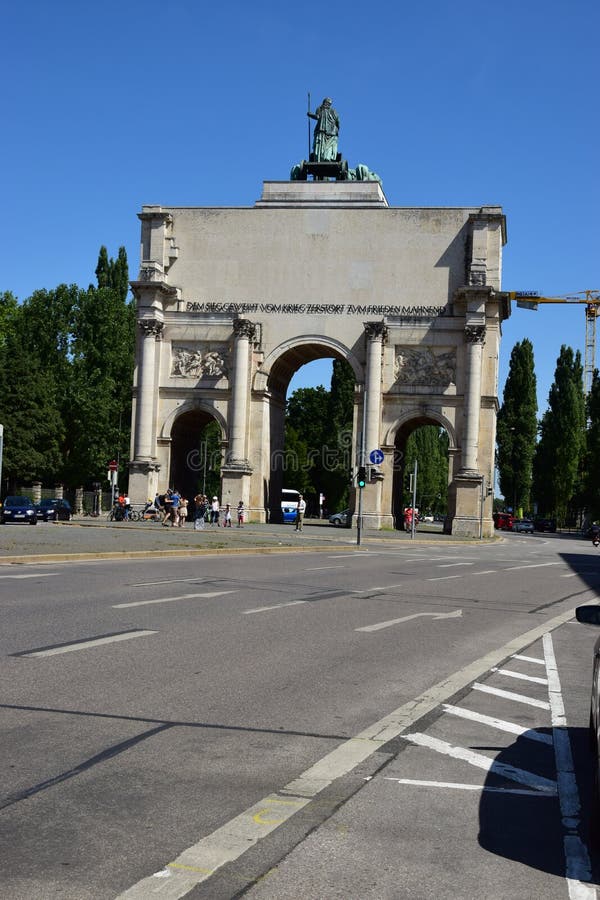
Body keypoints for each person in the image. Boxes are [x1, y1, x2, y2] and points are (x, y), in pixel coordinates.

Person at [307, 98, 339, 162]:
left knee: (325, 145)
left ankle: (323, 158)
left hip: (325, 131)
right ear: (324, 102)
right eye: (328, 103)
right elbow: (337, 121)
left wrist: (310, 114)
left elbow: (317, 116)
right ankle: (325, 158)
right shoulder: (322, 109)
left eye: (329, 104)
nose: (328, 105)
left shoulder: (321, 109)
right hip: (327, 132)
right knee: (326, 145)